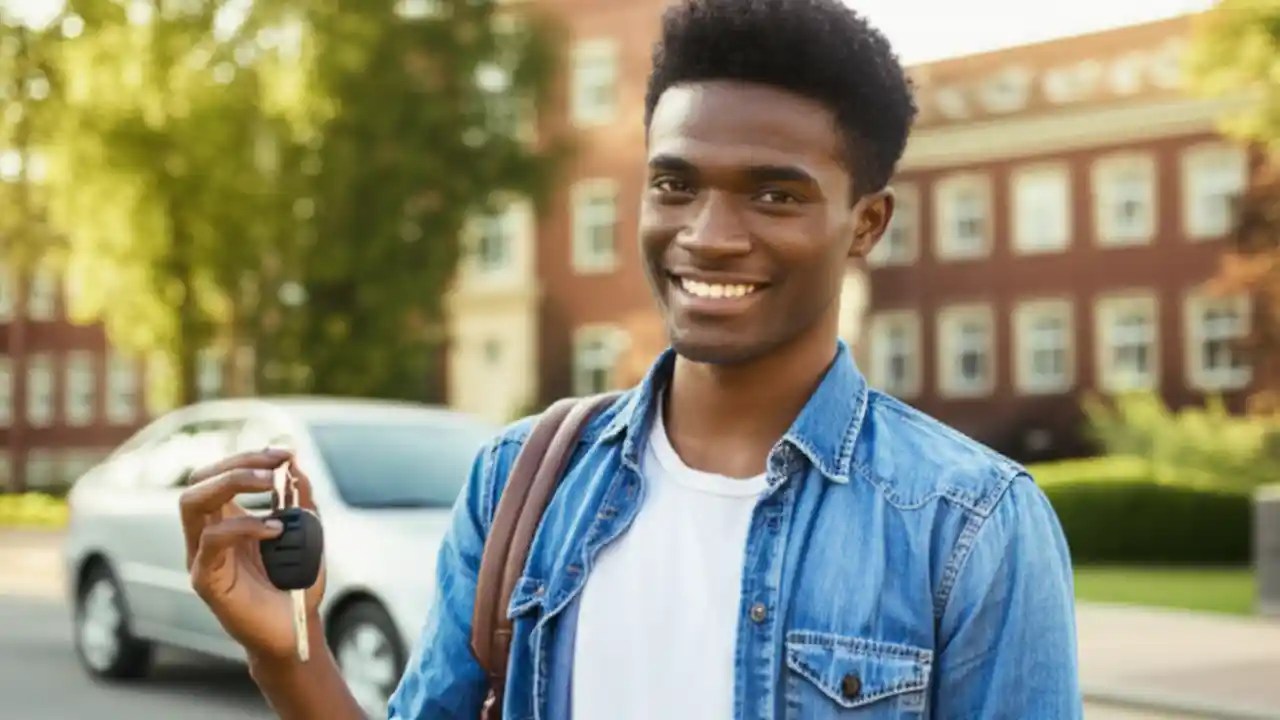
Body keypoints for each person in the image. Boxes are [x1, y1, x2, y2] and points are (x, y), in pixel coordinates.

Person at [179, 0, 1083, 717]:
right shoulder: (522, 478)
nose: (709, 235)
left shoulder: (969, 525)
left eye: (774, 194)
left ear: (867, 224)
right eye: (675, 184)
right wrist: (283, 651)